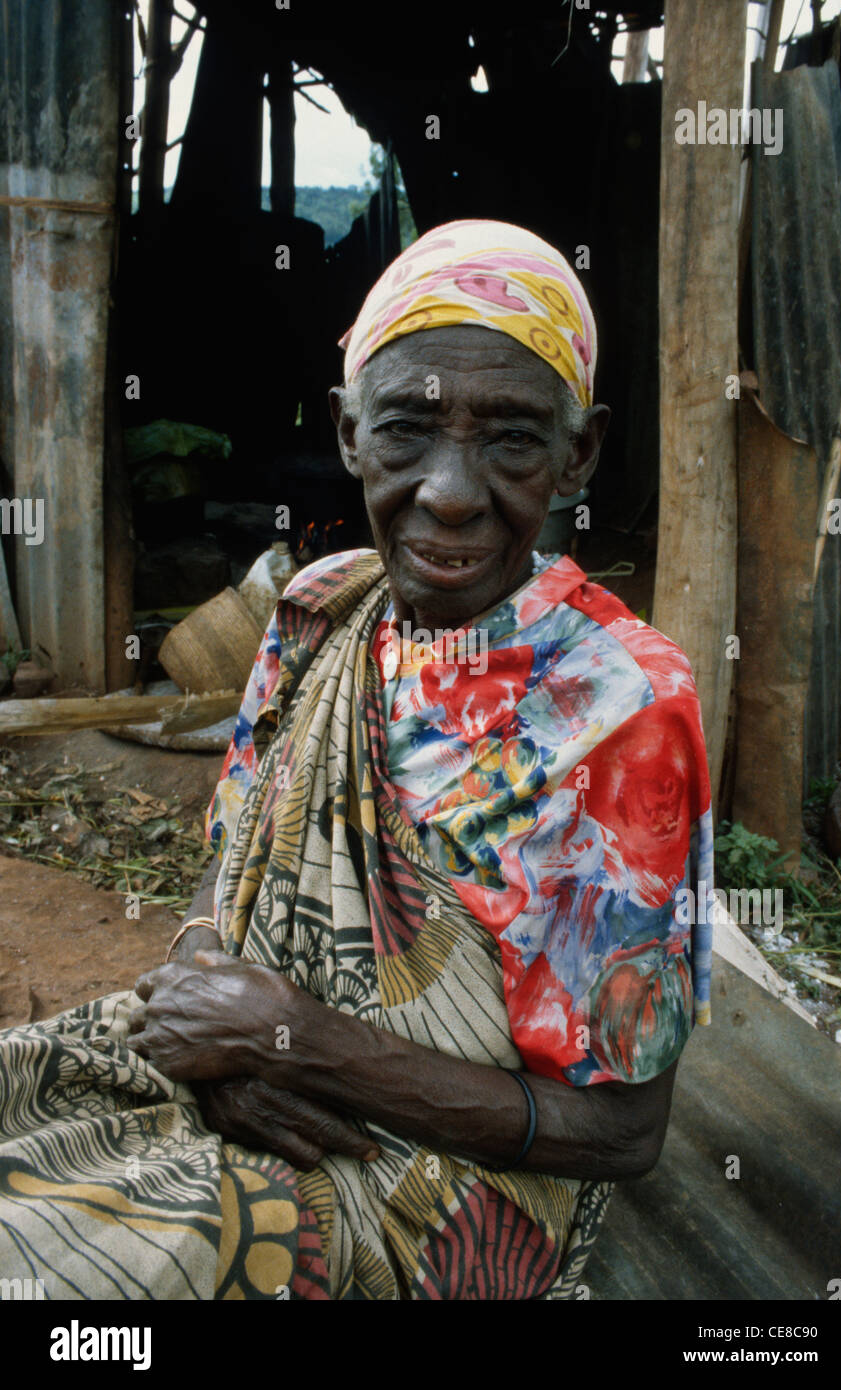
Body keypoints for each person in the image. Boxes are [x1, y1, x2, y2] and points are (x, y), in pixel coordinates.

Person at [0, 220, 714, 1301]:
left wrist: (287, 1044)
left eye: (511, 439)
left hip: (439, 1188)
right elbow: (227, 861)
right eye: (408, 430)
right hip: (234, 1070)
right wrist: (216, 1009)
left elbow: (620, 1133)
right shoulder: (325, 608)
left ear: (581, 451)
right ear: (344, 431)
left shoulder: (619, 707)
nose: (450, 492)